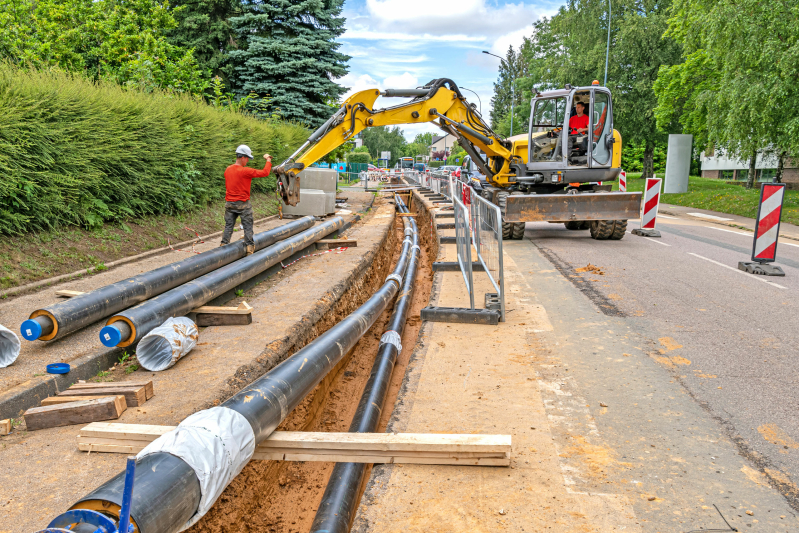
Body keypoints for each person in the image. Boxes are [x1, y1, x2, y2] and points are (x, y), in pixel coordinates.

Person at [220, 144, 272, 254]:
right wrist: (268, 160)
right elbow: (265, 172)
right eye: (247, 158)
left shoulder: (228, 170)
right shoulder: (245, 171)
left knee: (228, 226)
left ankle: (222, 248)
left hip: (229, 203)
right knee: (248, 227)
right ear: (242, 157)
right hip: (243, 204)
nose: (247, 161)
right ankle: (249, 250)